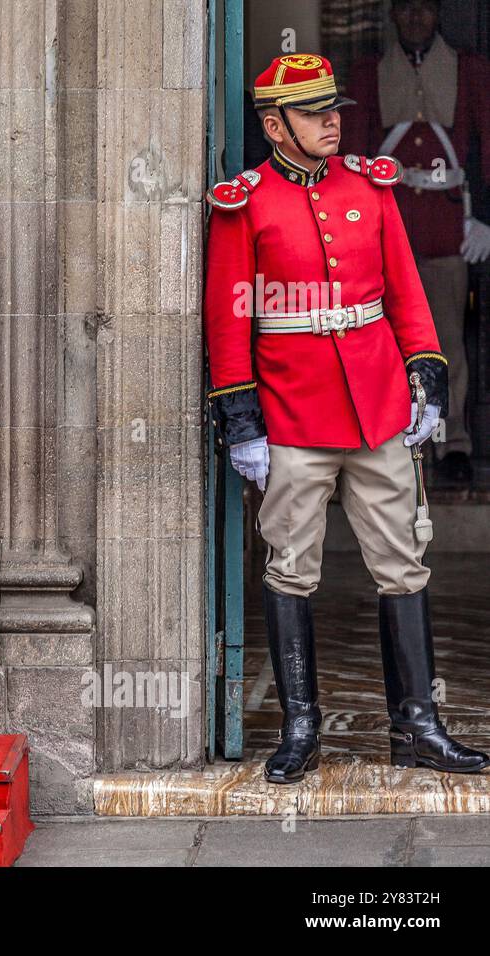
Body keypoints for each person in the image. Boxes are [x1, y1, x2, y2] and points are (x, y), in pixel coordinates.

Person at [205, 54, 489, 784]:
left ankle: (419, 725)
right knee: (292, 569)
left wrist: (425, 373)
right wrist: (240, 418)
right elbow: (229, 320)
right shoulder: (246, 203)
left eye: (334, 108)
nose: (333, 120)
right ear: (273, 125)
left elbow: (406, 293)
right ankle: (301, 727)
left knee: (402, 562)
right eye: (313, 111)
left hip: (379, 408)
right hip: (293, 414)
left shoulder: (371, 188)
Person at [346, 0, 490, 485]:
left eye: (424, 8)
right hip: (390, 229)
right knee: (389, 344)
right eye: (406, 8)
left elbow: (486, 143)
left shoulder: (469, 70)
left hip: (448, 226)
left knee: (449, 340)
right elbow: (353, 152)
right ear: (393, 15)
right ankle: (399, 442)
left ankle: (452, 443)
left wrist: (485, 218)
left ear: (437, 15)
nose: (415, 18)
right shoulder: (370, 73)